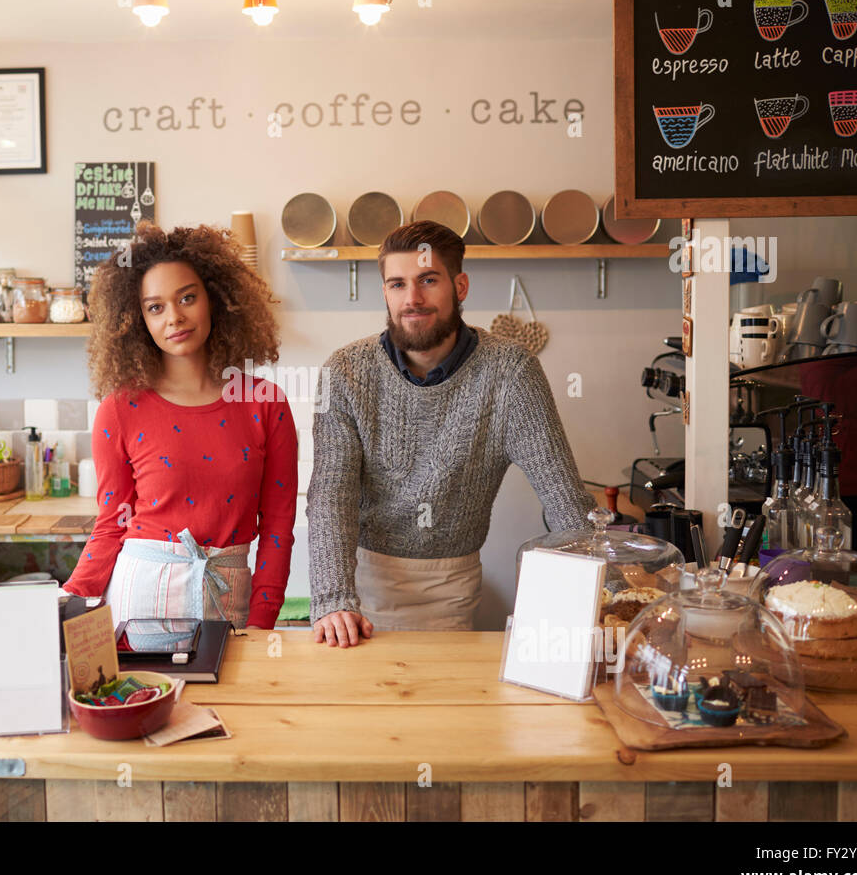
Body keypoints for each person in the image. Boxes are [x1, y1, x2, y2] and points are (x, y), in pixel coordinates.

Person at [307, 220, 594, 646]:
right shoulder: (345, 370)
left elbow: (564, 498)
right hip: (358, 588)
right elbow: (332, 492)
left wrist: (597, 598)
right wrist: (332, 597)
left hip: (451, 589)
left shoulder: (511, 372)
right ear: (384, 291)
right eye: (397, 284)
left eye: (427, 280)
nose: (412, 299)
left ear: (460, 286)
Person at [62, 223, 297, 630]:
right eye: (155, 307)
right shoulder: (119, 409)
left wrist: (262, 620)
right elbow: (111, 524)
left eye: (187, 297)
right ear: (137, 319)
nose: (175, 317)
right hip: (140, 607)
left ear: (216, 299)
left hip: (231, 604)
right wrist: (70, 601)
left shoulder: (265, 403)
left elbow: (278, 529)